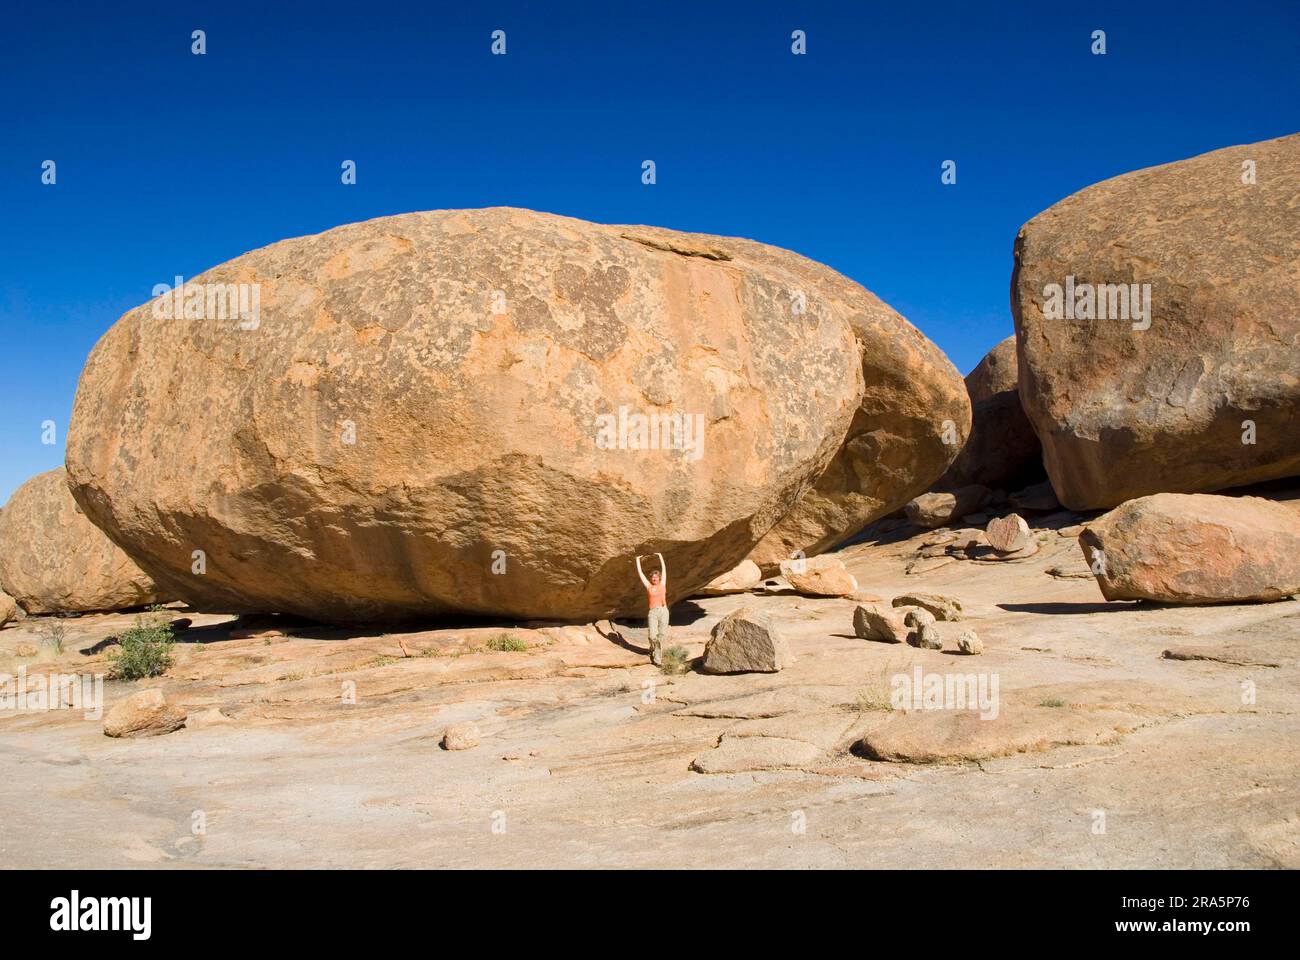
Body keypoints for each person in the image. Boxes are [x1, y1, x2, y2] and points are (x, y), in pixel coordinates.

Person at [635, 553, 668, 666]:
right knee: (652, 636)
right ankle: (652, 648)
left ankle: (657, 660)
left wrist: (660, 556)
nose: (654, 579)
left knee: (661, 636)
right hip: (653, 612)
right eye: (653, 577)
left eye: (656, 577)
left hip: (663, 611)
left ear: (659, 578)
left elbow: (664, 570)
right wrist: (637, 561)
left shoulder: (662, 584)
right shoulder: (649, 586)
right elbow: (641, 575)